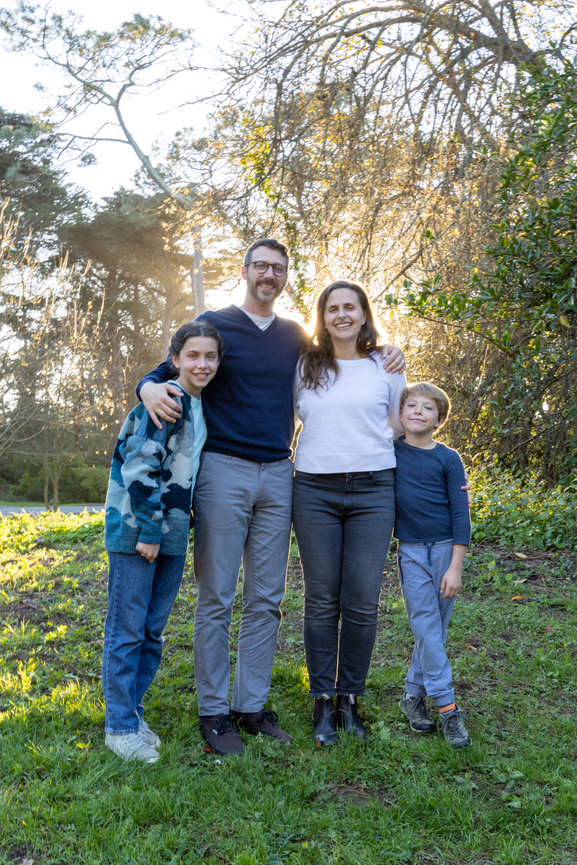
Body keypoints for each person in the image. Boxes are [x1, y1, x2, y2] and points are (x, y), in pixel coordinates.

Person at [137, 240, 406, 755]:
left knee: (267, 598)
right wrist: (148, 386)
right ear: (244, 271)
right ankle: (214, 712)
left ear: (285, 278)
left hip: (281, 473)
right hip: (223, 471)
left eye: (278, 269)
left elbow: (349, 375)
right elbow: (180, 361)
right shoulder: (217, 323)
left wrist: (390, 350)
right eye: (260, 265)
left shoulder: (297, 339)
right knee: (217, 595)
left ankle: (251, 706)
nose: (268, 274)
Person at [102, 320, 223, 763]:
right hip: (138, 531)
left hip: (170, 534)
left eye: (210, 356)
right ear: (174, 360)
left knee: (151, 631)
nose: (202, 363)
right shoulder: (165, 401)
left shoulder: (197, 404)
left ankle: (131, 713)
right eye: (193, 355)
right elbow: (139, 469)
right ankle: (119, 726)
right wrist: (150, 533)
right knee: (127, 629)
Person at [292, 280, 407, 745]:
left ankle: (350, 700)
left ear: (363, 314)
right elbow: (286, 417)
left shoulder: (386, 362)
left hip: (374, 489)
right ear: (322, 317)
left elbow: (402, 423)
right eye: (332, 308)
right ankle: (322, 700)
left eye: (350, 307)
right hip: (314, 489)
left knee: (361, 600)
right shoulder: (305, 364)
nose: (341, 314)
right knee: (321, 599)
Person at [394, 382, 472, 748]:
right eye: (411, 405)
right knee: (427, 627)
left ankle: (412, 696)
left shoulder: (449, 458)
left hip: (444, 552)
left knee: (433, 631)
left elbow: (461, 515)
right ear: (400, 413)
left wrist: (455, 567)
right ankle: (448, 707)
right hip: (410, 551)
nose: (418, 412)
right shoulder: (388, 453)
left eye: (427, 409)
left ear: (438, 420)